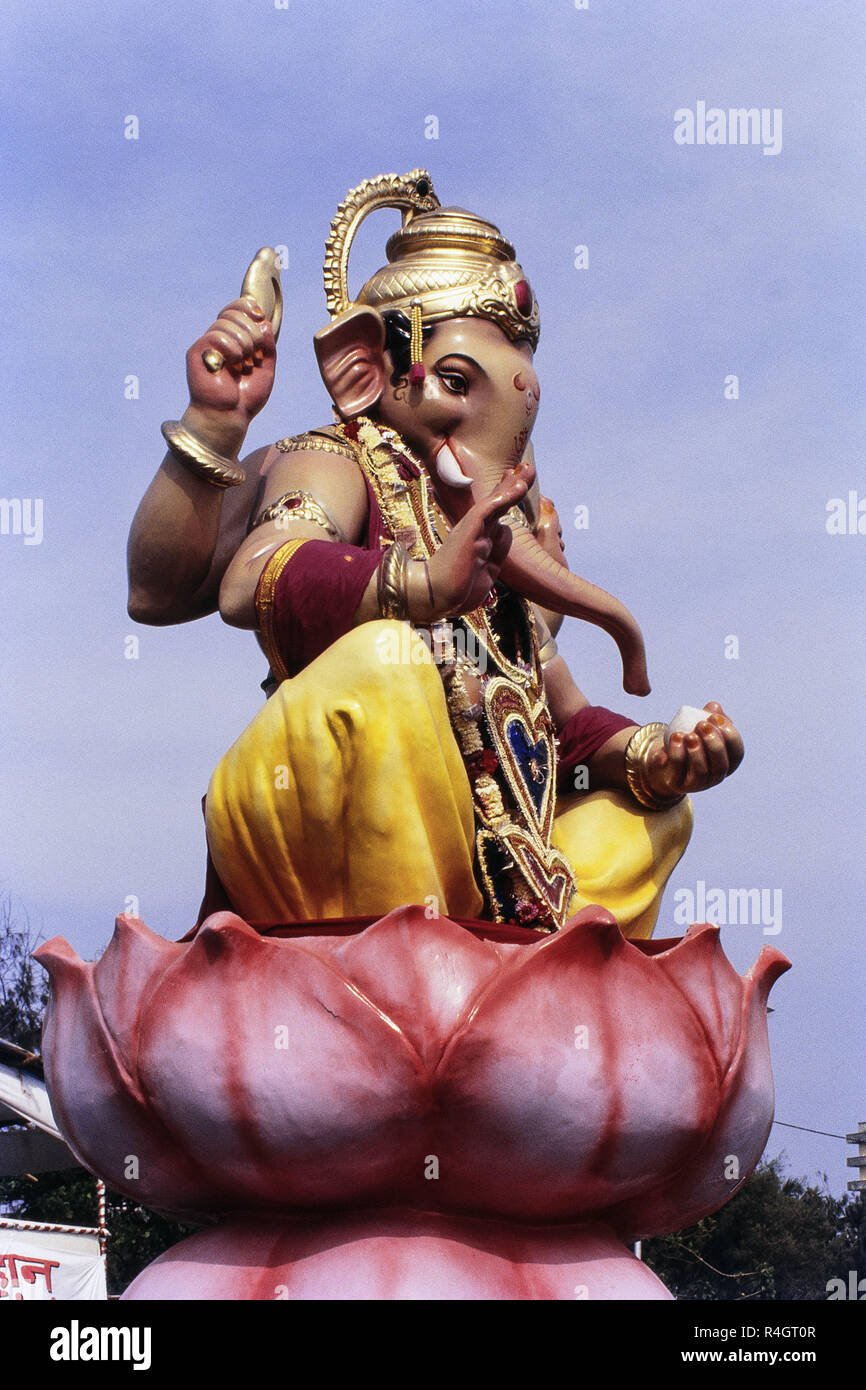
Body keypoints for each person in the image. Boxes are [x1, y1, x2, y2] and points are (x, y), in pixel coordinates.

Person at [128, 170, 742, 936]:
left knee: (649, 818)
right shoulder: (341, 461)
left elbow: (558, 728)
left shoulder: (486, 539)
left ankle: (542, 970)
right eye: (453, 382)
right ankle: (404, 959)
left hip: (478, 859)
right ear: (370, 366)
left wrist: (654, 755)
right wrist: (417, 584)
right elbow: (243, 578)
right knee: (388, 659)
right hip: (332, 835)